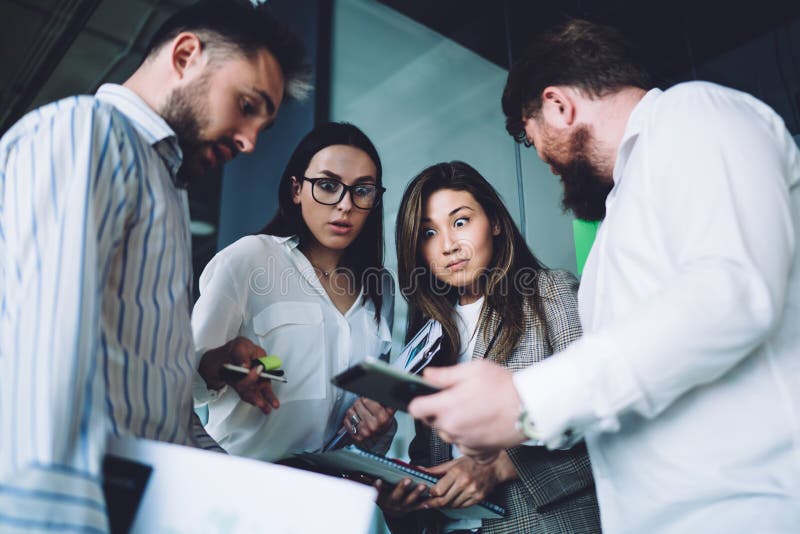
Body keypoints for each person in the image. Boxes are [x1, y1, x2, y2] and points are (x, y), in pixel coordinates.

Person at [407, 19, 800, 533]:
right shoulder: (618, 224)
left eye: (534, 141)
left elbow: (731, 293)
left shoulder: (694, 112)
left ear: (558, 106)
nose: (547, 165)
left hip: (747, 508)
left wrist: (525, 403)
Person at [0, 0, 308, 530]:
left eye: (263, 122)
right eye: (246, 104)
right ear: (186, 55)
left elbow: (162, 412)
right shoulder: (88, 134)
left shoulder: (166, 187)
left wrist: (259, 506)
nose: (250, 140)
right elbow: (41, 364)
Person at [377, 161, 600, 533]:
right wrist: (403, 501)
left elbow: (602, 418)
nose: (448, 245)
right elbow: (431, 456)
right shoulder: (430, 334)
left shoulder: (550, 293)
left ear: (495, 222)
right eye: (429, 232)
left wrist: (500, 467)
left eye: (460, 222)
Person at [192, 122, 397, 461]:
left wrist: (376, 427)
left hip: (334, 494)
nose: (345, 205)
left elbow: (365, 420)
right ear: (297, 189)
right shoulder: (251, 259)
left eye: (362, 190)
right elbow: (181, 384)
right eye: (328, 186)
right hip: (245, 488)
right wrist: (223, 362)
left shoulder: (381, 288)